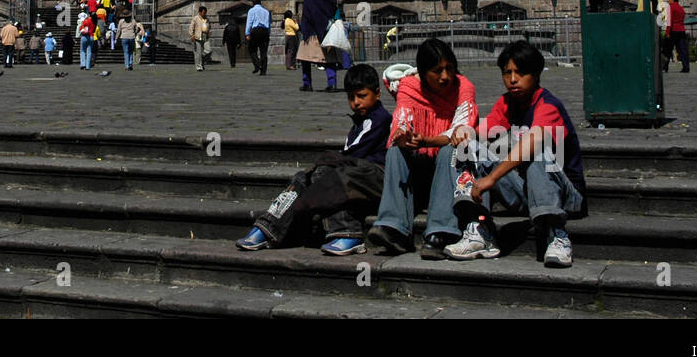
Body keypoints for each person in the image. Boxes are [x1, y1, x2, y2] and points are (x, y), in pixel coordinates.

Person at [440, 41, 586, 268]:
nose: (513, 79)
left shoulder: (548, 105)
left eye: (520, 72)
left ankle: (556, 234)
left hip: (565, 195)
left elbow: (533, 142)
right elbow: (484, 130)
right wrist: (463, 132)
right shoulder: (507, 102)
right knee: (466, 148)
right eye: (507, 73)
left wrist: (492, 177)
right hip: (528, 192)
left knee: (536, 150)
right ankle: (480, 229)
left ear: (536, 75)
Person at [236, 64, 392, 255]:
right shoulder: (360, 122)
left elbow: (353, 155)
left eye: (361, 96)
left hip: (374, 177)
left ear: (377, 93)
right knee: (303, 177)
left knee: (325, 174)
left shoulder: (379, 120)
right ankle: (268, 225)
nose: (356, 103)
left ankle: (347, 233)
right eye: (351, 98)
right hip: (355, 175)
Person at [366, 39, 478, 256]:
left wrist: (427, 140)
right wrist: (401, 134)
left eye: (449, 69)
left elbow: (460, 129)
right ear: (424, 73)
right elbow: (403, 116)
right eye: (437, 71)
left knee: (450, 149)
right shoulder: (410, 86)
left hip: (452, 172)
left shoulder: (464, 87)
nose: (445, 76)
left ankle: (441, 230)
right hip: (422, 167)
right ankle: (393, 226)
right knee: (396, 150)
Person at [296, 0, 338, 91]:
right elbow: (332, 8)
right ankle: (332, 82)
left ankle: (307, 83)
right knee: (329, 59)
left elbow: (312, 14)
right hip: (326, 30)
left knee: (305, 58)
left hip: (312, 32)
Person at [244, 0, 271, 75]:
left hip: (255, 31)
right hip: (265, 31)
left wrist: (247, 33)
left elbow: (249, 22)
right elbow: (268, 24)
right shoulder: (266, 11)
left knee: (252, 49)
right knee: (263, 51)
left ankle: (257, 64)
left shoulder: (251, 11)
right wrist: (268, 33)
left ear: (253, 3)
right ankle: (263, 70)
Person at [666, 0, 689, 73]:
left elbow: (669, 21)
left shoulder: (670, 7)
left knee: (668, 50)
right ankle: (686, 66)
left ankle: (665, 66)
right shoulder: (681, 8)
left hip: (674, 30)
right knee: (682, 50)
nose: (667, 0)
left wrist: (667, 32)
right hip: (682, 30)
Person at [190, 6, 211, 71]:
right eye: (203, 12)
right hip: (197, 37)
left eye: (205, 13)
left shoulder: (207, 19)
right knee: (198, 52)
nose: (204, 14)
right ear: (200, 12)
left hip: (205, 36)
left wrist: (208, 32)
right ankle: (199, 67)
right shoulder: (195, 18)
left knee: (208, 50)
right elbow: (191, 27)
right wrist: (192, 35)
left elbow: (209, 26)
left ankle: (201, 60)